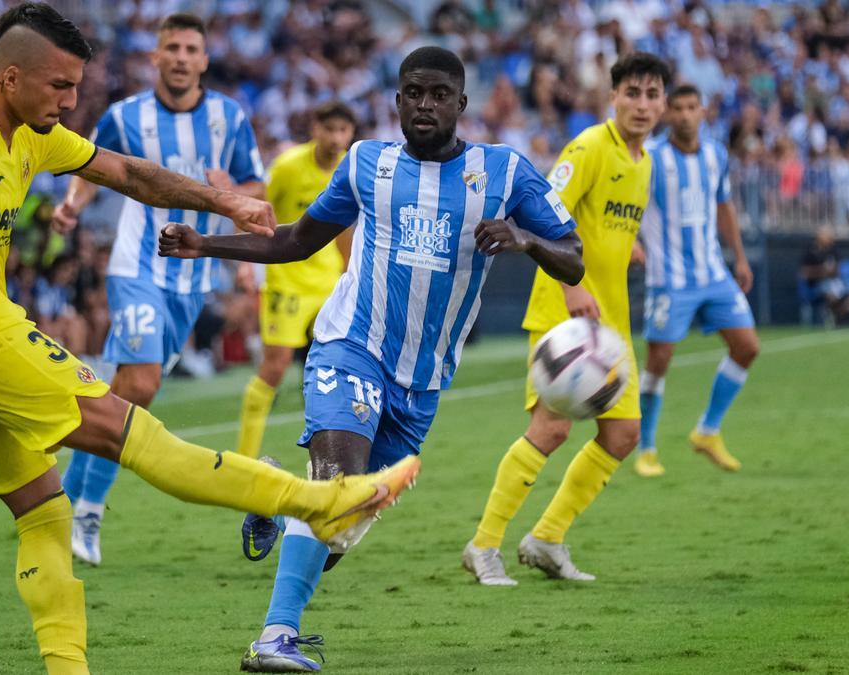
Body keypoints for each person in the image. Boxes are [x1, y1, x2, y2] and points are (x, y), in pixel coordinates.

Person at [0, 5, 419, 674]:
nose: (70, 103)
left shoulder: (32, 135)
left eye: (75, 88)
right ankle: (324, 501)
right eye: (60, 87)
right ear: (10, 78)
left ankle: (67, 666)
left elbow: (127, 174)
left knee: (42, 511)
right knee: (139, 431)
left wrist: (227, 203)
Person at [161, 46, 583, 672]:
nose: (424, 104)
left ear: (461, 104)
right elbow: (296, 242)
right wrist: (204, 245)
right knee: (336, 488)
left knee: (340, 526)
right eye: (413, 92)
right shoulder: (365, 164)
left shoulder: (505, 171)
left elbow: (572, 256)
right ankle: (275, 637)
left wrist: (524, 239)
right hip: (349, 347)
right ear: (396, 101)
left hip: (424, 381)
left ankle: (276, 496)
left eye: (439, 94)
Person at [52, 13, 267, 566]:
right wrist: (73, 206)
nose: (179, 56)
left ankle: (64, 502)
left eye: (190, 48)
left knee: (127, 392)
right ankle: (90, 511)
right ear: (155, 56)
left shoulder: (229, 118)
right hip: (137, 268)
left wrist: (231, 189)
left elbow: (254, 186)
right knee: (140, 387)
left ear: (203, 60)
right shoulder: (126, 117)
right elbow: (87, 163)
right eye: (170, 46)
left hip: (194, 280)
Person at [463, 52, 670, 587]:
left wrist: (632, 247)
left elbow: (601, 226)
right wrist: (573, 285)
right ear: (614, 96)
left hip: (612, 320)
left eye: (652, 95)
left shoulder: (643, 160)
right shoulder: (588, 148)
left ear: (662, 103)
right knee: (551, 429)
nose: (642, 105)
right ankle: (484, 545)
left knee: (623, 434)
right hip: (566, 309)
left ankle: (547, 538)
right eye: (633, 94)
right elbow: (542, 215)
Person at [236, 100, 357, 563]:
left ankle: (325, 465)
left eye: (343, 128)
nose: (335, 137)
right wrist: (250, 268)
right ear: (315, 129)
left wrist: (349, 273)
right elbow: (254, 209)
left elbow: (343, 224)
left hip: (326, 283)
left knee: (338, 368)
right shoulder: (288, 167)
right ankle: (245, 466)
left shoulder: (347, 168)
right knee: (274, 367)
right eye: (329, 128)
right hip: (287, 279)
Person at [632, 84, 760, 478]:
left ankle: (708, 430)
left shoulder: (715, 154)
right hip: (668, 278)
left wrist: (738, 255)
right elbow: (626, 201)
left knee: (747, 347)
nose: (685, 115)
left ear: (702, 111)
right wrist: (633, 241)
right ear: (667, 114)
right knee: (659, 360)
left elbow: (723, 205)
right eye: (678, 108)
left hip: (712, 273)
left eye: (692, 107)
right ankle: (647, 448)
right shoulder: (650, 157)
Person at [800, 224, 849, 323]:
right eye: (828, 235)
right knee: (831, 295)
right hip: (816, 284)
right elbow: (804, 273)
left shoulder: (833, 250)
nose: (831, 238)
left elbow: (838, 269)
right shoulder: (810, 251)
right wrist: (822, 271)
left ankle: (838, 313)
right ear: (820, 236)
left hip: (834, 282)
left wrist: (832, 271)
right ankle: (832, 315)